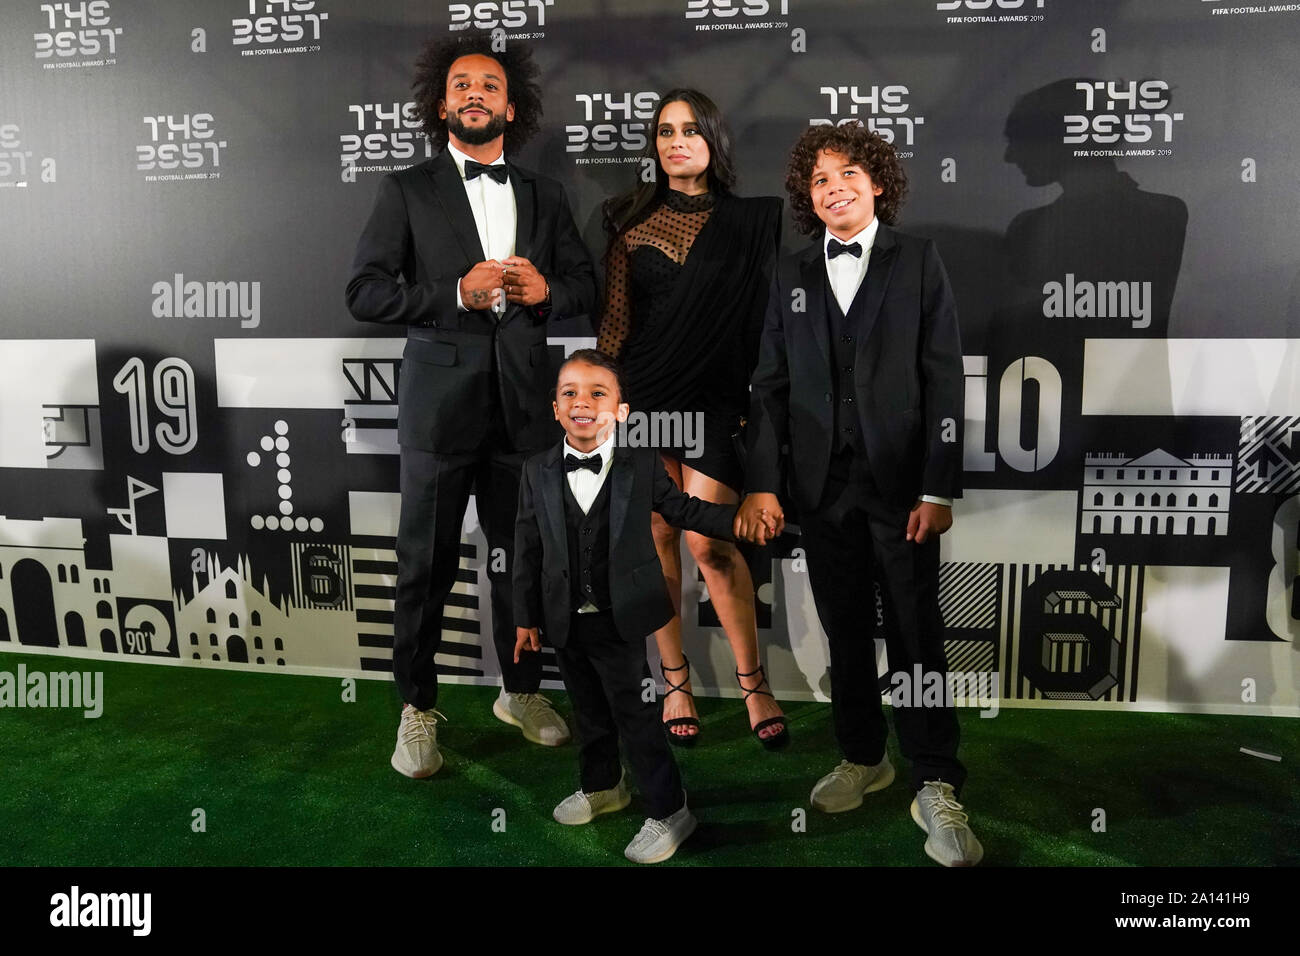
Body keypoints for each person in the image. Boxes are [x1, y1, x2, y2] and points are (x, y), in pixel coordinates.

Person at [345, 35, 597, 778]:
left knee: (524, 562)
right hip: (438, 413)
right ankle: (416, 709)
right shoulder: (407, 191)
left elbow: (586, 287)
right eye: (463, 85)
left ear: (511, 108)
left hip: (523, 410)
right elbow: (364, 291)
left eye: (490, 85)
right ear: (443, 104)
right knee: (425, 565)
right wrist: (455, 292)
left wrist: (548, 291)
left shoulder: (546, 196)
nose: (476, 94)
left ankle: (521, 691)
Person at [735, 124, 982, 866]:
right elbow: (770, 384)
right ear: (807, 198)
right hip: (820, 489)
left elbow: (944, 375)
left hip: (903, 488)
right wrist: (766, 483)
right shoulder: (791, 269)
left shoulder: (918, 259)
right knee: (844, 629)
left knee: (915, 633)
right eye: (818, 179)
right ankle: (863, 754)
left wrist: (939, 485)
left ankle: (935, 777)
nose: (833, 186)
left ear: (878, 182)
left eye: (847, 173)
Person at [512, 350, 774, 862]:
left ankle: (670, 809)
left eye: (597, 393)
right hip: (564, 620)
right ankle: (603, 785)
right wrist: (525, 617)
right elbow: (526, 547)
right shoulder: (536, 469)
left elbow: (682, 509)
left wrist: (736, 522)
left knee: (636, 717)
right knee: (587, 712)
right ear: (554, 407)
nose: (581, 402)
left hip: (623, 617)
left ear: (622, 410)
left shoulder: (642, 465)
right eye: (570, 393)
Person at [596, 89, 787, 748]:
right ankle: (674, 679)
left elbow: (770, 326)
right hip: (643, 398)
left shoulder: (758, 220)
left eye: (690, 130)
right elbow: (614, 330)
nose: (676, 141)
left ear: (713, 140)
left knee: (710, 543)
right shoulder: (629, 223)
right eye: (664, 132)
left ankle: (753, 682)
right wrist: (607, 403)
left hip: (714, 403)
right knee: (654, 541)